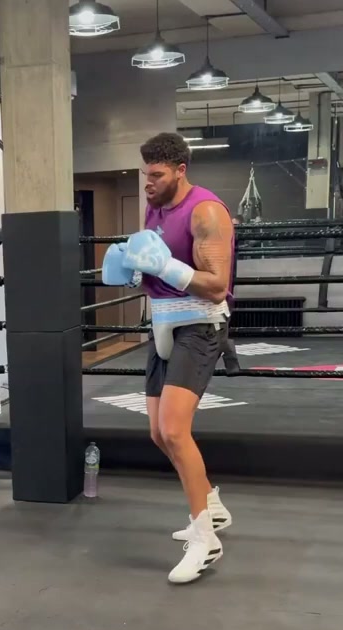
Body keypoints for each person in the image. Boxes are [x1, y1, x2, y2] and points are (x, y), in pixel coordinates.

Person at [102, 132, 234, 585]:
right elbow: (156, 265)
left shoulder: (207, 211)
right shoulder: (155, 206)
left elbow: (216, 284)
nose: (148, 184)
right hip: (162, 321)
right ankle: (211, 507)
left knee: (176, 429)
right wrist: (135, 268)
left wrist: (166, 268)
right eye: (145, 175)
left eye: (156, 175)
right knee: (159, 432)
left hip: (199, 324)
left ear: (181, 170)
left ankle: (204, 539)